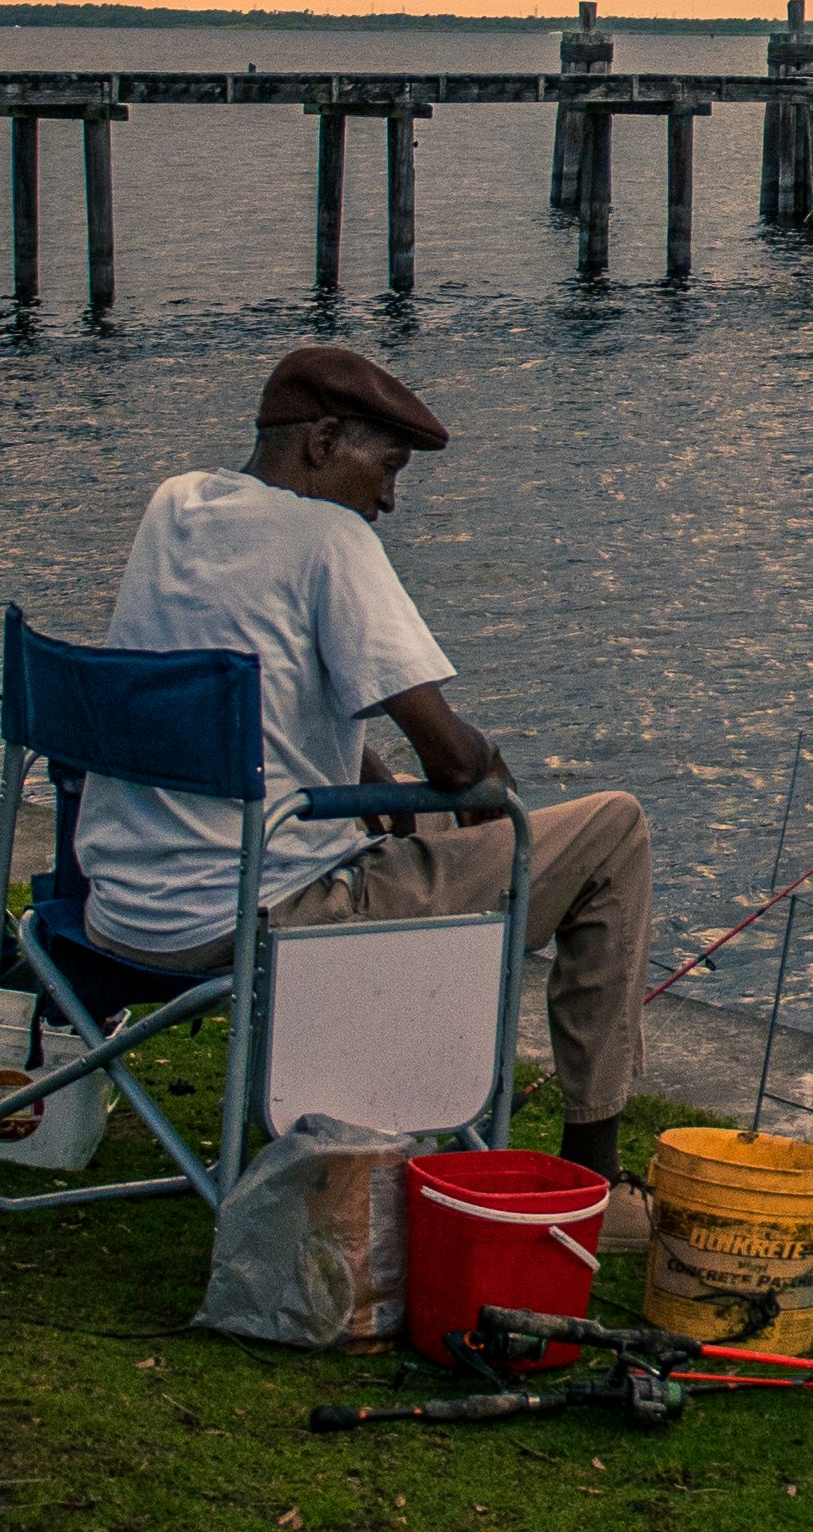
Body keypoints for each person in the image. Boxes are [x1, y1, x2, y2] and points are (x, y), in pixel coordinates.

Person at [72, 347, 660, 1171]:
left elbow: (248, 704)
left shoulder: (176, 506)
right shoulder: (328, 536)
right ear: (321, 440)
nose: (387, 500)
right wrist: (491, 773)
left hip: (125, 913)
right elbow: (454, 763)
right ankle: (594, 1169)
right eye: (386, 468)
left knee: (403, 823)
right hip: (262, 919)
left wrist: (371, 777)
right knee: (612, 832)